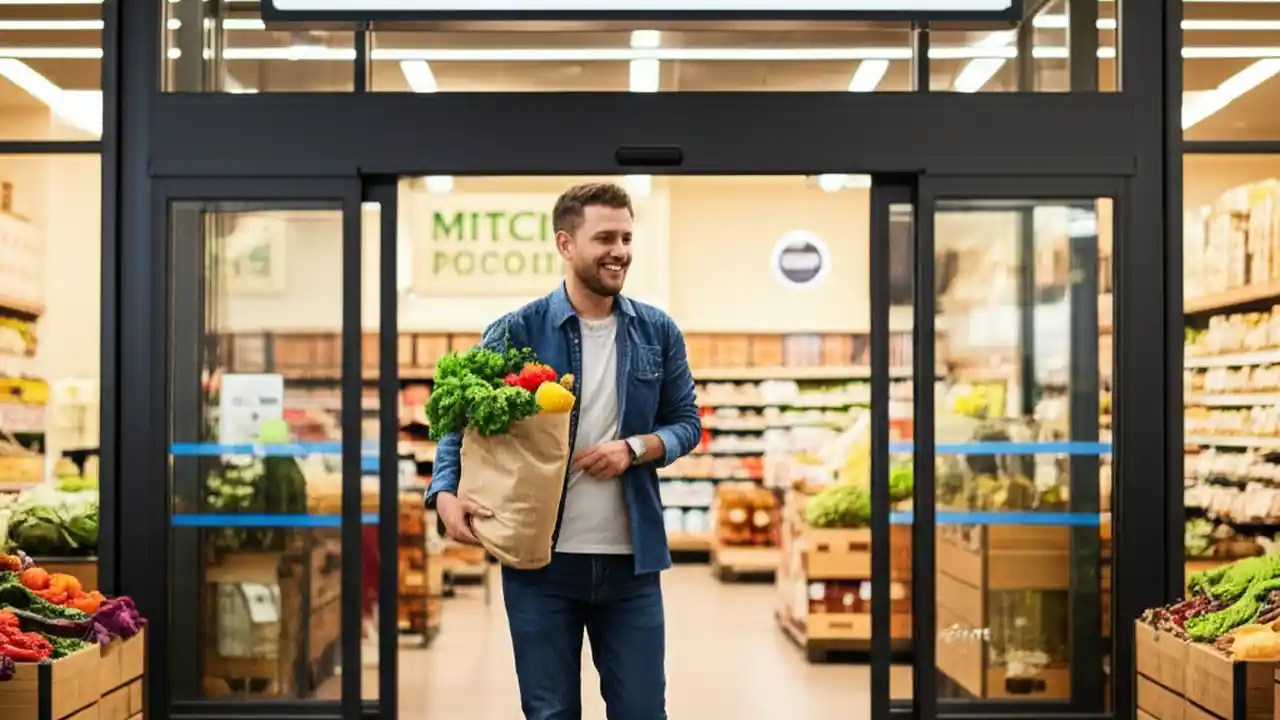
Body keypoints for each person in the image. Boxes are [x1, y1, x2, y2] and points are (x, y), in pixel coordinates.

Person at [427, 182, 702, 720]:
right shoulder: (515, 332)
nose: (619, 250)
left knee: (643, 711)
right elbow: (458, 421)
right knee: (550, 712)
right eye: (604, 237)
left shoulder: (658, 332)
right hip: (540, 562)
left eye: (625, 237)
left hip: (632, 565)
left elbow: (685, 424)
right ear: (565, 244)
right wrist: (443, 490)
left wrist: (636, 447)